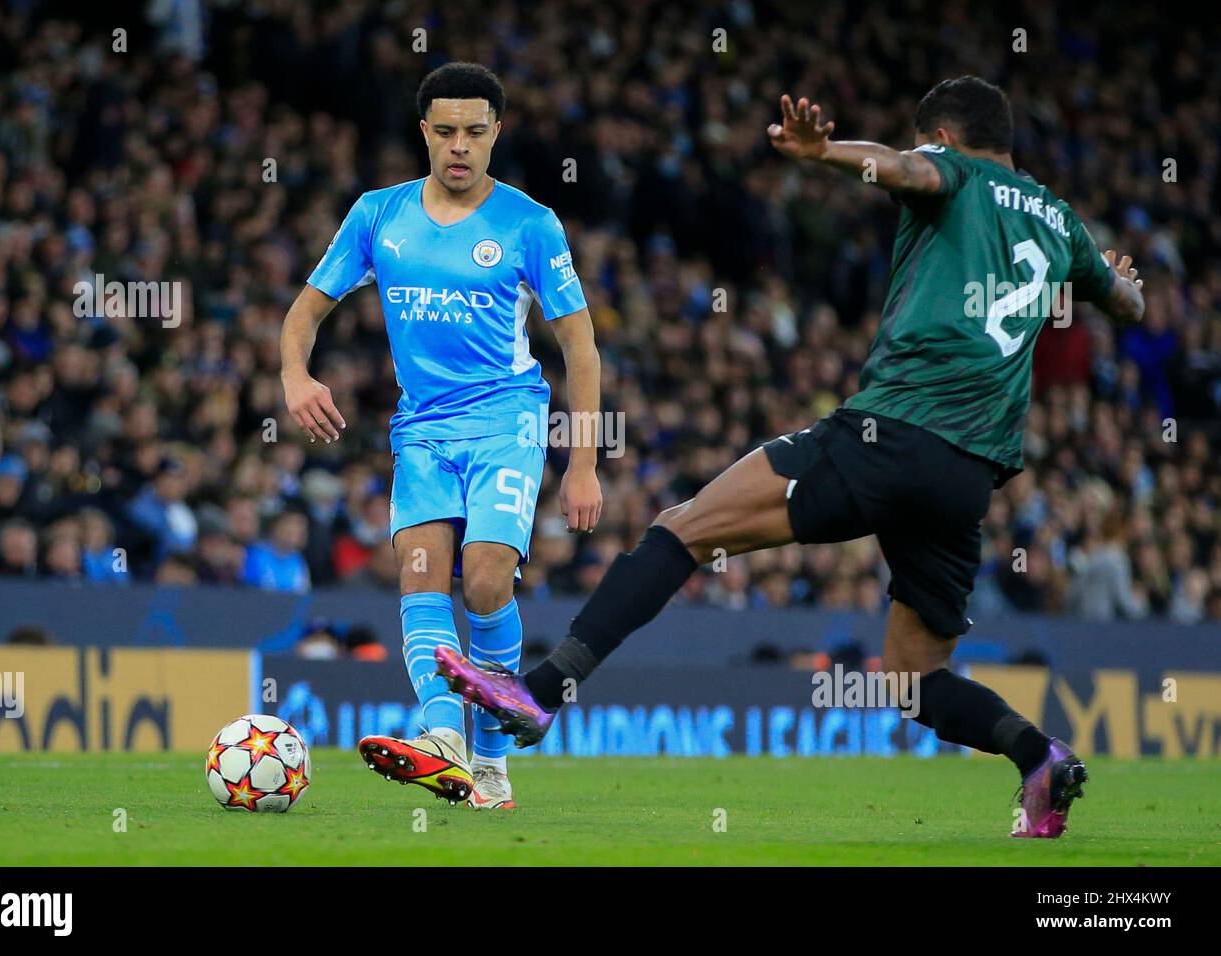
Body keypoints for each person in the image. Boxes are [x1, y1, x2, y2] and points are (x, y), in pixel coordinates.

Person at [437, 76, 1145, 837]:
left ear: (941, 138)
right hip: (969, 475)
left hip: (892, 432)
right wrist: (1121, 285)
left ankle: (542, 691)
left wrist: (827, 153)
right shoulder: (1060, 221)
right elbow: (1123, 302)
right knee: (914, 681)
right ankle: (1040, 760)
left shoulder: (953, 172)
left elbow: (909, 170)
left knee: (684, 527)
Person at [280, 62, 602, 809]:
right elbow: (303, 312)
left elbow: (581, 346)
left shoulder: (529, 223)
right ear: (424, 132)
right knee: (421, 572)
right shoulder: (377, 215)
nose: (460, 146)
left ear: (498, 134)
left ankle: (492, 760)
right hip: (422, 428)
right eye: (447, 131)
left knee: (486, 577)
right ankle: (445, 742)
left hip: (506, 420)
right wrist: (296, 376)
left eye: (476, 132)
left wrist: (581, 465)